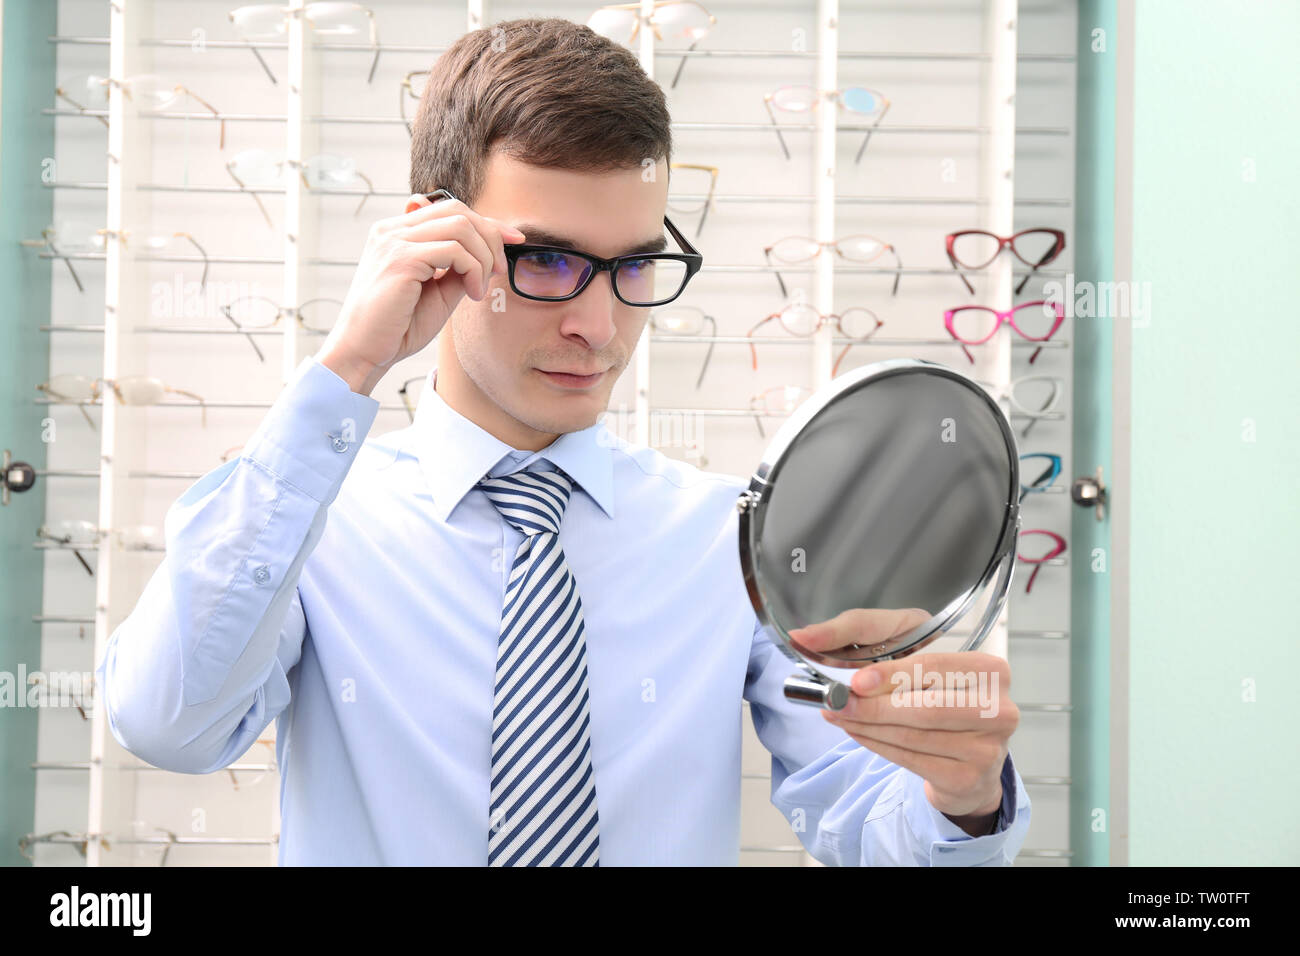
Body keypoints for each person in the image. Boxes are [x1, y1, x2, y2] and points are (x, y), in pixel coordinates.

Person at [98, 16, 1031, 866]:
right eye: (546, 260)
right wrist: (347, 369)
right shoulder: (302, 522)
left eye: (633, 266)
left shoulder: (731, 539)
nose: (600, 324)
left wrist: (961, 797)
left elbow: (873, 830)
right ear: (436, 238)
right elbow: (166, 724)